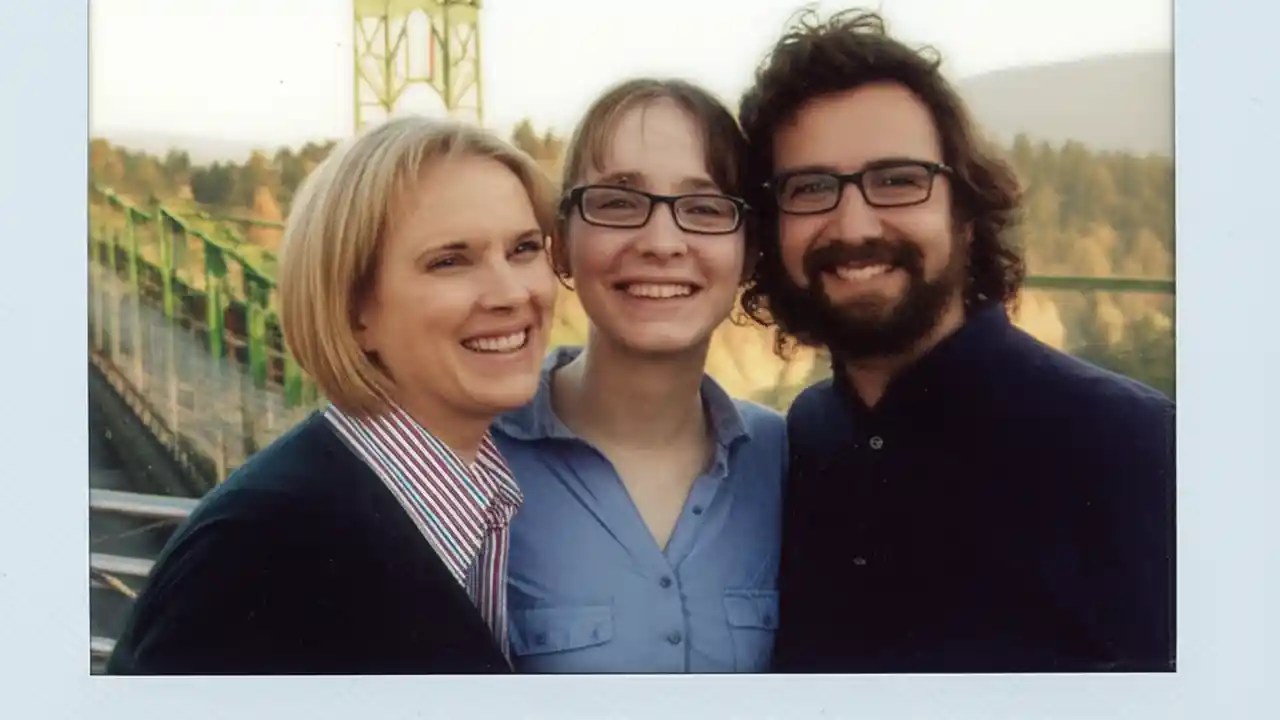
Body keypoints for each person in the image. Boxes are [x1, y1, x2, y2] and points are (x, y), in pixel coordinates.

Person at [736, 9, 1175, 673]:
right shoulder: (807, 438)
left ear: (965, 213)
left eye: (898, 180)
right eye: (811, 188)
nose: (853, 223)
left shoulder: (1132, 448)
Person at [106, 117, 560, 674]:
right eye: (450, 260)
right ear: (354, 312)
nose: (513, 292)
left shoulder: (471, 495)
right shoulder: (254, 557)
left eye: (524, 249)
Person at [491, 78, 788, 673]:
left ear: (749, 253)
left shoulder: (787, 461)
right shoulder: (473, 462)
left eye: (704, 208)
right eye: (618, 203)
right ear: (561, 244)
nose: (661, 243)